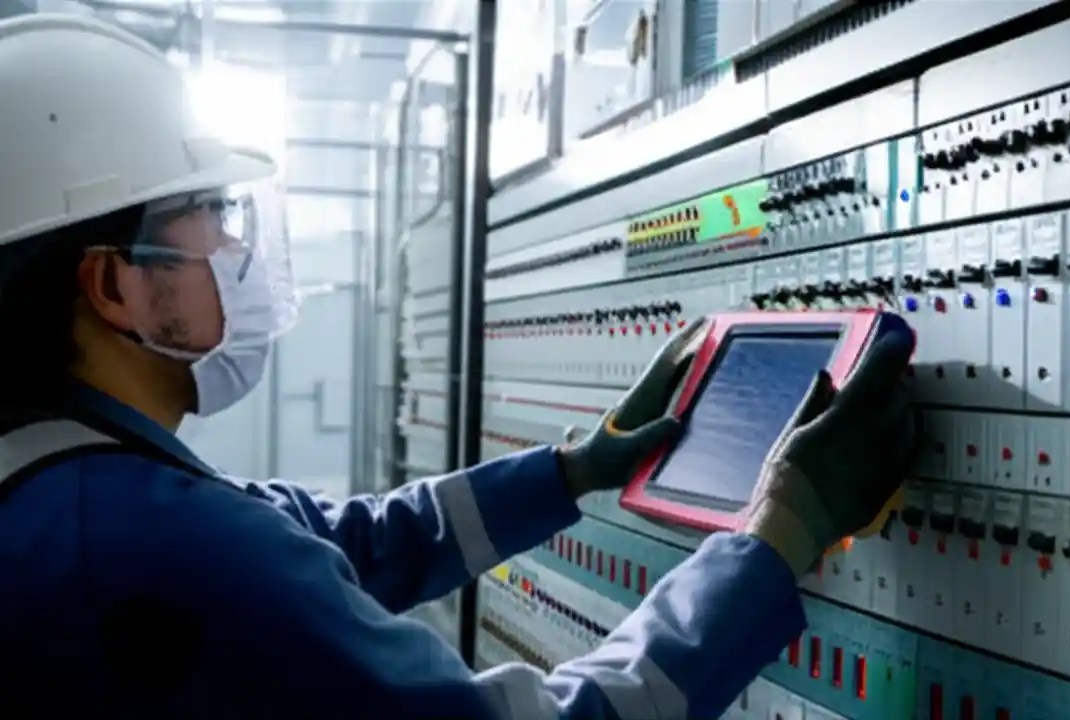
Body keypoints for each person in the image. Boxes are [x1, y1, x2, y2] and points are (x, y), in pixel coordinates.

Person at [0, 14, 916, 719]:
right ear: (112, 283)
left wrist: (569, 470)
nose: (236, 247)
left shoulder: (60, 485)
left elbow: (344, 542)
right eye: (209, 213)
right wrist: (771, 544)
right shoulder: (144, 542)